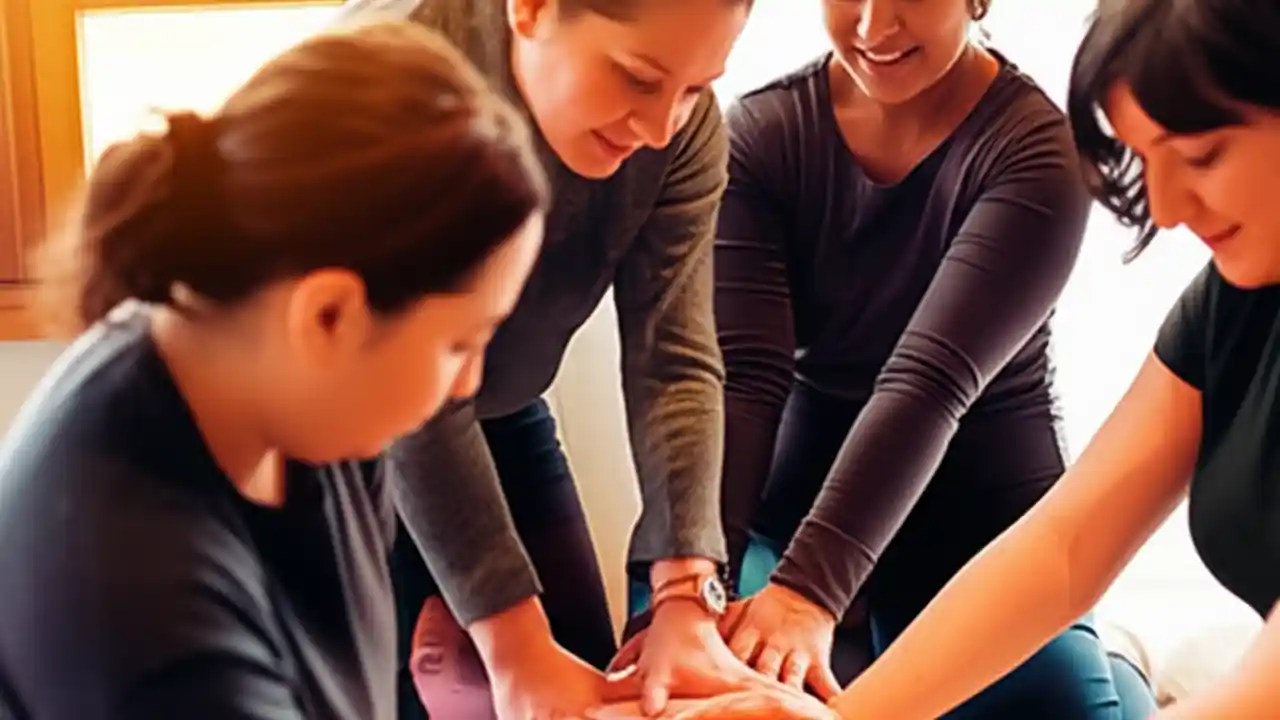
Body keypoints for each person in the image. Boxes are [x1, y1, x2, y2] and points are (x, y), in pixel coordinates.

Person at [654, 0, 1280, 716]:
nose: (1163, 209)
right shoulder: (1235, 299)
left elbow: (927, 385)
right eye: (1144, 159)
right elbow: (1068, 544)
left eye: (1201, 155)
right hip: (808, 520)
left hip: (977, 513)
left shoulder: (1027, 148)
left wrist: (811, 601)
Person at [0, 21, 546, 718]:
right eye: (459, 344)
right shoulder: (136, 598)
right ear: (328, 315)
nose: (469, 383)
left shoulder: (309, 414)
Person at [330, 1, 775, 718]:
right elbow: (412, 386)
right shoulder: (387, 86)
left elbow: (674, 358)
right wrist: (511, 644)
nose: (664, 127)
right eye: (638, 77)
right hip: (339, 431)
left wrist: (687, 595)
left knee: (591, 679)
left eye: (695, 87)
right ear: (532, 8)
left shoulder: (683, 131)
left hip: (504, 409)